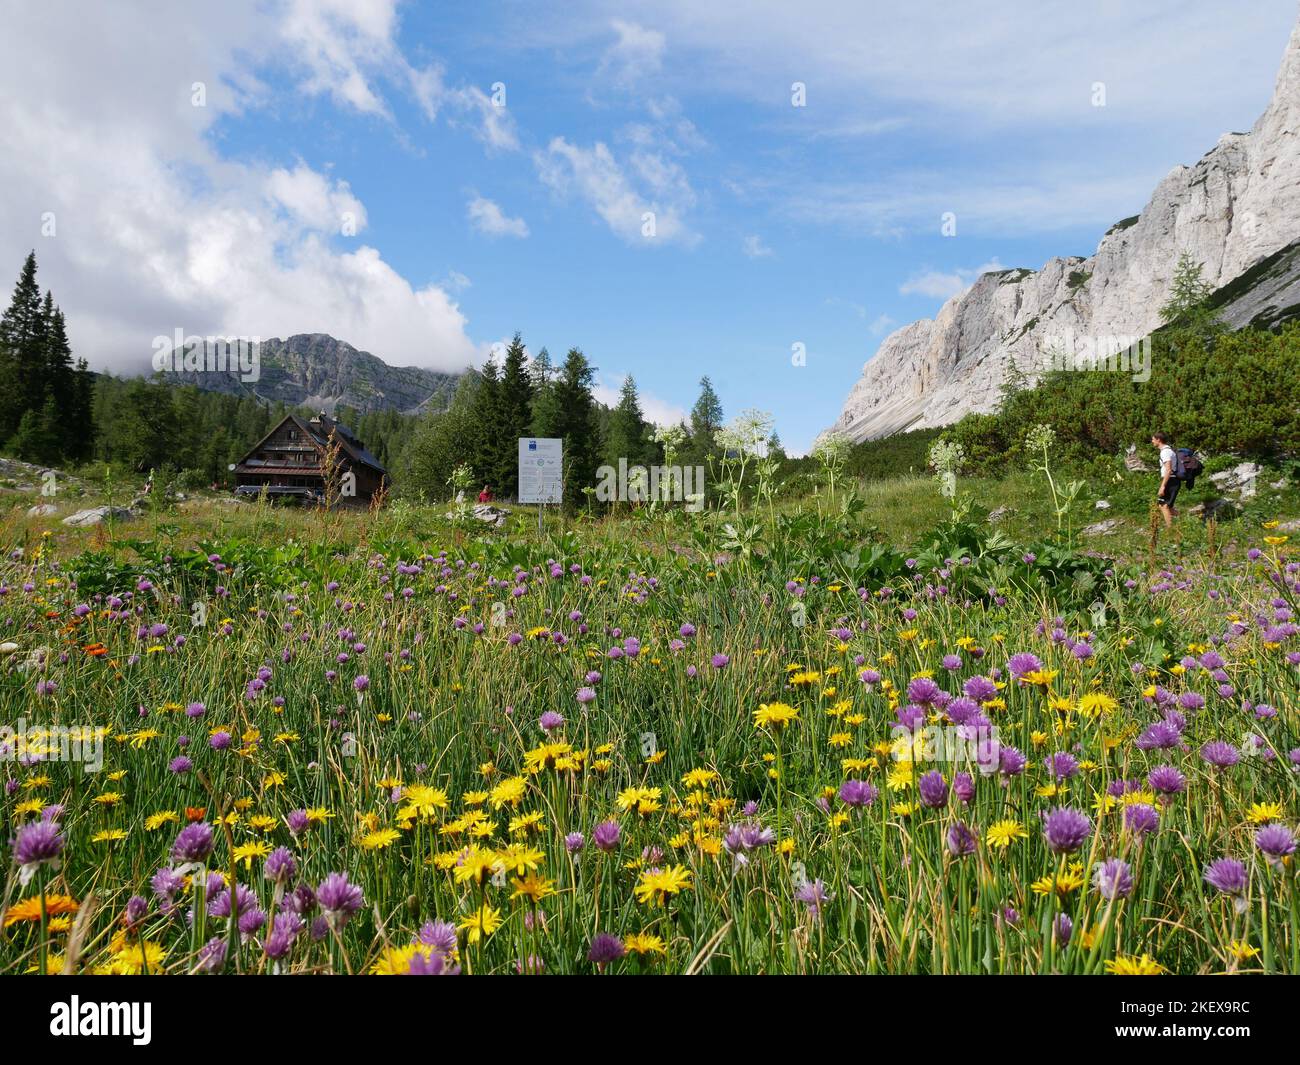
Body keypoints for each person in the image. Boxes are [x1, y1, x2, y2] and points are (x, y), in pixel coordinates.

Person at [1151, 432, 1182, 528]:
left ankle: (1170, 530)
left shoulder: (1165, 452)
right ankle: (1184, 521)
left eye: (1153, 439)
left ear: (1158, 440)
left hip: (1170, 480)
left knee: (1164, 506)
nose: (1152, 441)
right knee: (1167, 506)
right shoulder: (1167, 451)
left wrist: (1162, 486)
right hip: (1171, 480)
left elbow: (1168, 470)